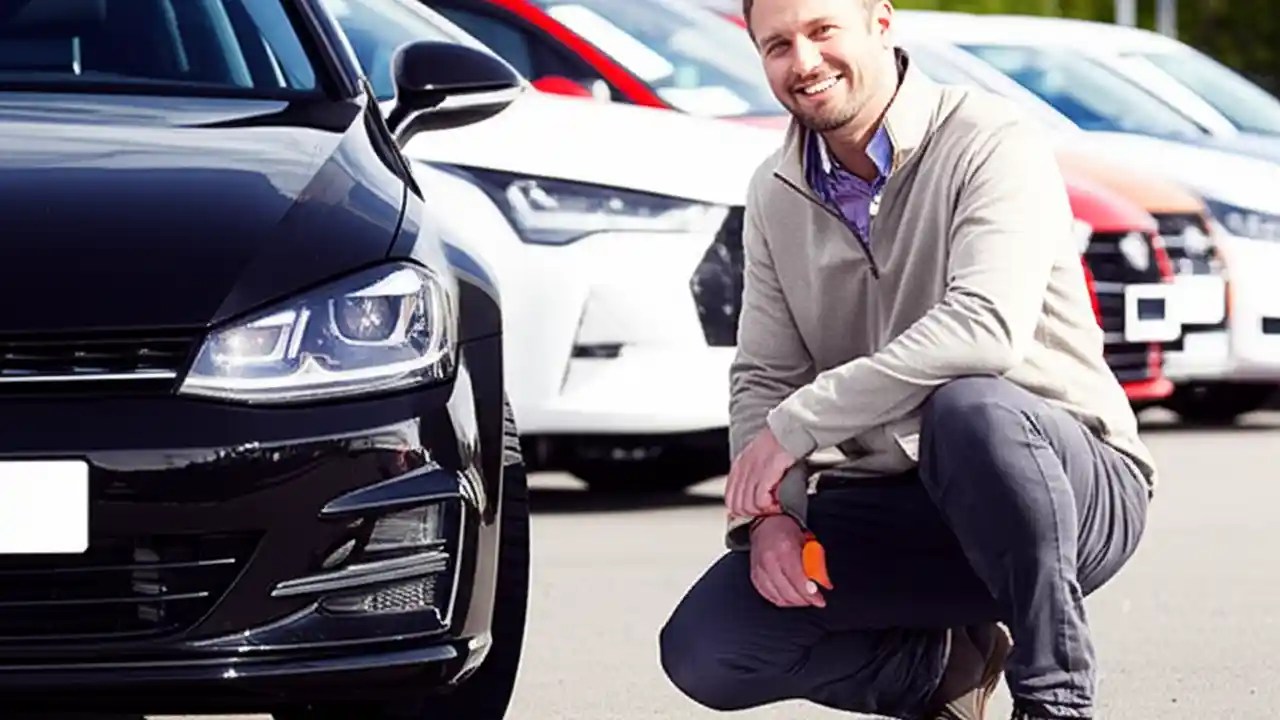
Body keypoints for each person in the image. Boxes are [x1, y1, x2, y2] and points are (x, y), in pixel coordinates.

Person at [656, 0, 1156, 718]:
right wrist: (771, 519)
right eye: (777, 46)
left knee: (969, 409)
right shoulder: (774, 193)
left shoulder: (990, 138)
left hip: (1063, 490)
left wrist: (800, 424)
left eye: (824, 31)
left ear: (881, 24)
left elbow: (985, 329)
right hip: (900, 500)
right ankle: (943, 666)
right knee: (710, 645)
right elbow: (765, 375)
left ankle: (1054, 701)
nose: (803, 63)